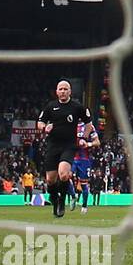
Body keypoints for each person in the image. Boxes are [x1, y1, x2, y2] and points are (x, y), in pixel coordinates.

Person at [37, 80, 92, 218]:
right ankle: (55, 200)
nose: (62, 91)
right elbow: (40, 123)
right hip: (53, 145)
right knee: (50, 180)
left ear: (70, 91)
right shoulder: (51, 106)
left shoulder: (77, 107)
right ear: (56, 92)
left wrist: (84, 138)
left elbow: (89, 124)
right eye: (60, 89)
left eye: (65, 89)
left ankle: (62, 200)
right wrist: (45, 127)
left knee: (64, 174)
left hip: (69, 145)